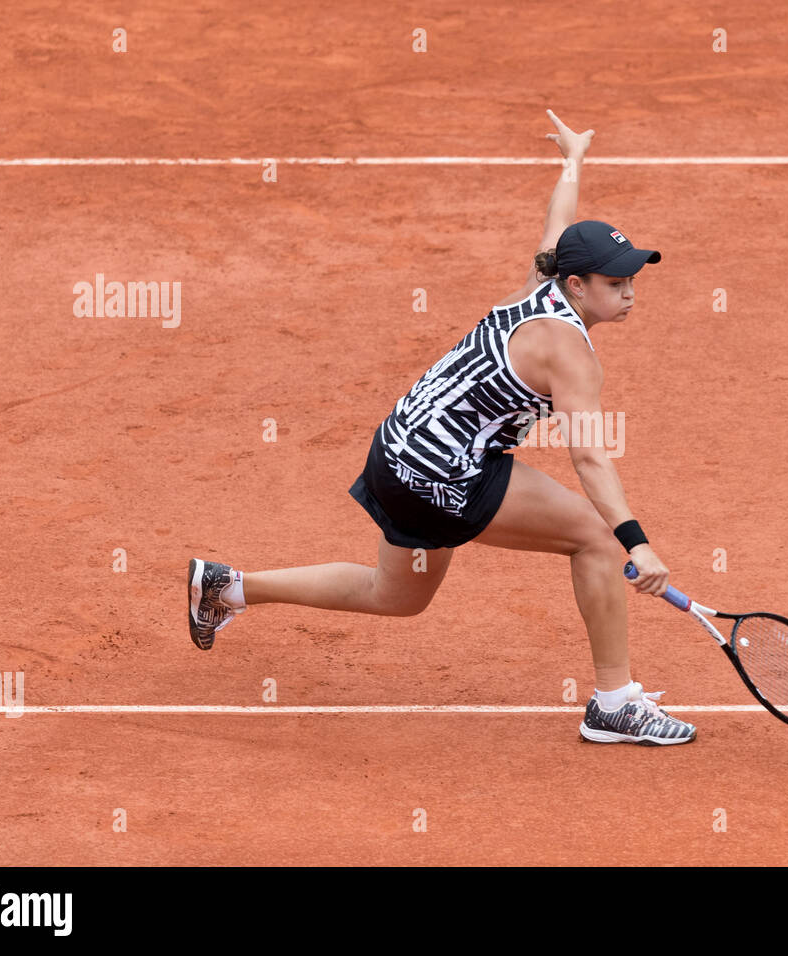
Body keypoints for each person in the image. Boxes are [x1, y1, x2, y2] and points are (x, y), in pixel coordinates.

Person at [187, 110, 695, 745]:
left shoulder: (542, 279)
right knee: (595, 537)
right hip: (445, 476)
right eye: (616, 283)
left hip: (397, 447)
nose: (629, 294)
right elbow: (590, 459)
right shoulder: (570, 354)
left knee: (394, 596)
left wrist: (573, 160)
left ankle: (226, 589)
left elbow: (557, 221)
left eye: (634, 280)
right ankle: (615, 702)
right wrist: (637, 541)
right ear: (576, 283)